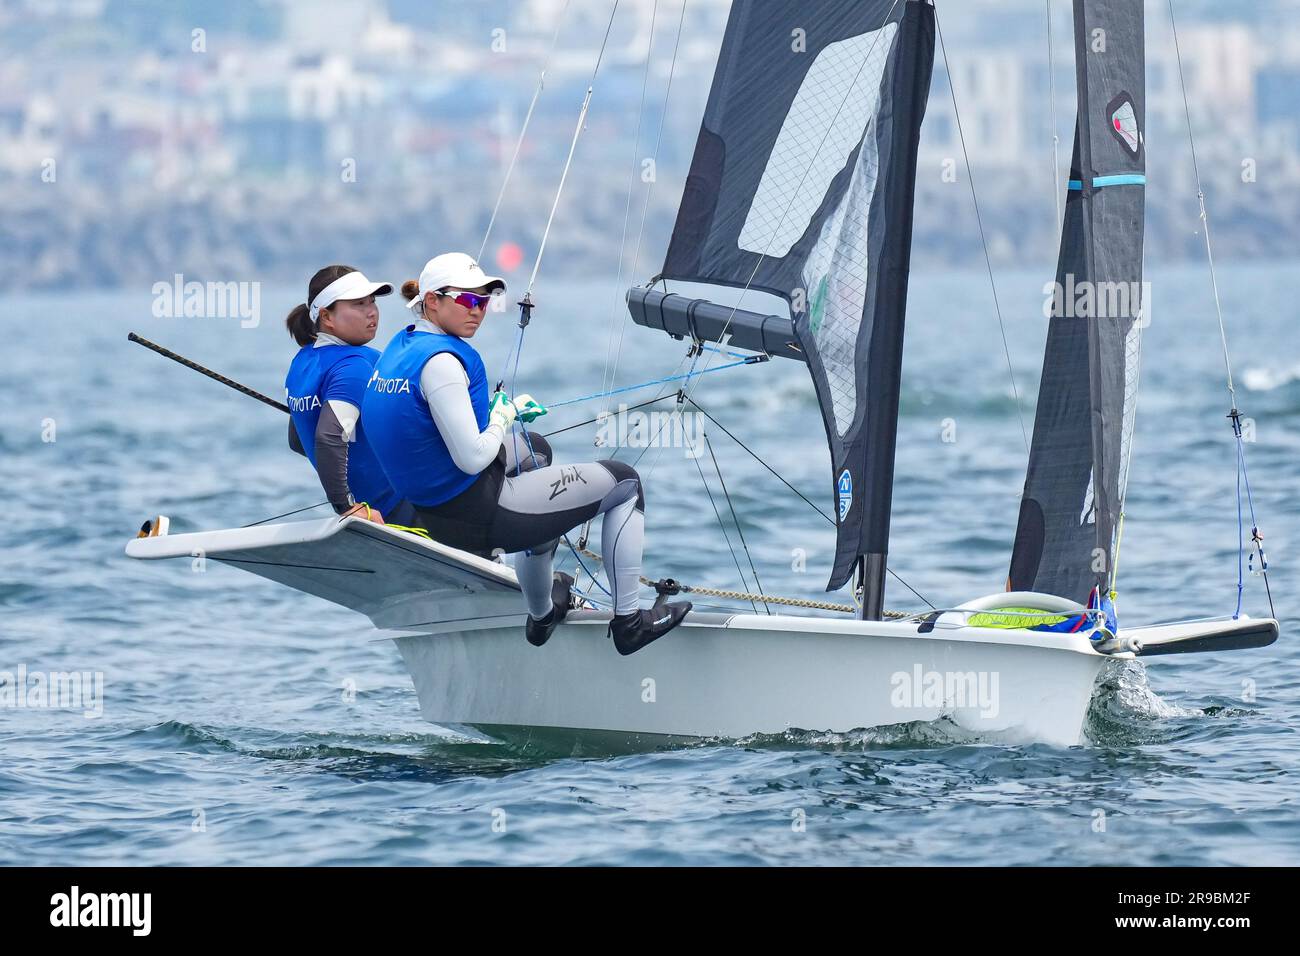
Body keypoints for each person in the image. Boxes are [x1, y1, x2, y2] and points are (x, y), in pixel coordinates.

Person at [362, 252, 690, 655]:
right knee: (625, 482)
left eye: (483, 301)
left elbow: (419, 426)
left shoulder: (403, 346)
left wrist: (493, 414)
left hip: (432, 508)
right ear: (432, 301)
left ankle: (543, 615)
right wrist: (501, 417)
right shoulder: (443, 363)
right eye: (467, 300)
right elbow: (470, 459)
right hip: (474, 514)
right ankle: (629, 624)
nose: (478, 310)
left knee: (536, 450)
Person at [283, 264, 416, 527]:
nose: (372, 312)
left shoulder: (302, 361)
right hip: (408, 508)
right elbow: (329, 437)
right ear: (327, 317)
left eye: (372, 301)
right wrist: (346, 507)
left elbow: (299, 440)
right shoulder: (353, 365)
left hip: (379, 504)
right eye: (358, 304)